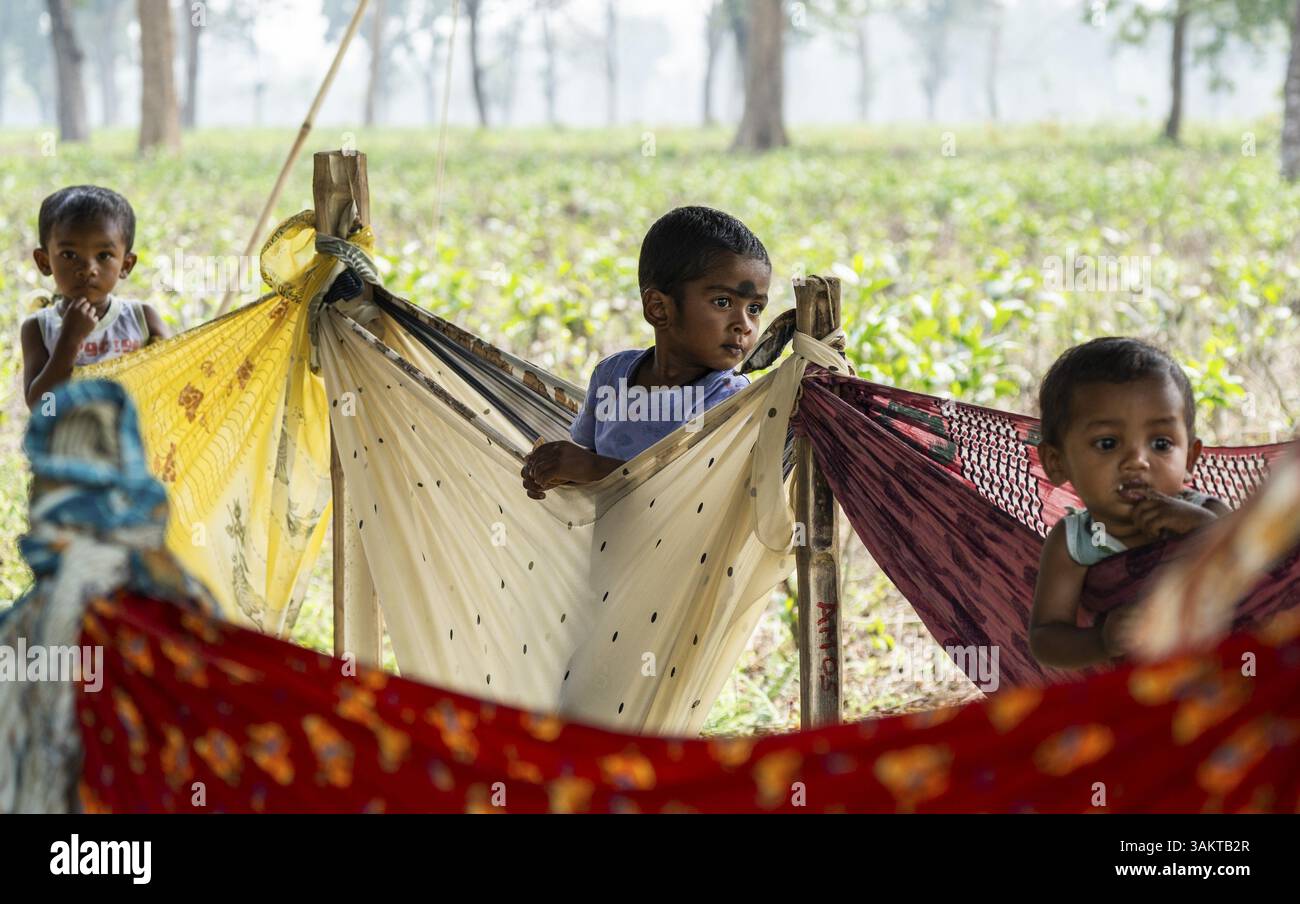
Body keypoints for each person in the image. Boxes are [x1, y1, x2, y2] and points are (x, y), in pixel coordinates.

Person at [522, 206, 770, 499]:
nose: (744, 325)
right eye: (722, 302)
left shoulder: (730, 399)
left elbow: (695, 495)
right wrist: (555, 471)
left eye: (754, 309)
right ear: (658, 308)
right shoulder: (611, 376)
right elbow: (587, 459)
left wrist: (592, 468)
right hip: (606, 541)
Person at [1029, 337, 1229, 668]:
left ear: (1191, 457)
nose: (1137, 461)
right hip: (1136, 696)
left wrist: (1201, 530)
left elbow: (1257, 583)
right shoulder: (1074, 542)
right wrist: (1100, 641)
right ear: (1056, 462)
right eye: (1108, 443)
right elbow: (1045, 637)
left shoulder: (1208, 513)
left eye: (1161, 443)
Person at [21, 185, 169, 410]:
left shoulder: (143, 320)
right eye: (69, 255)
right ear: (44, 262)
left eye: (104, 255)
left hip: (130, 443)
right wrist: (69, 340)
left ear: (126, 265)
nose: (88, 268)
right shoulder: (39, 328)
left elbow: (178, 371)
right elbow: (42, 407)